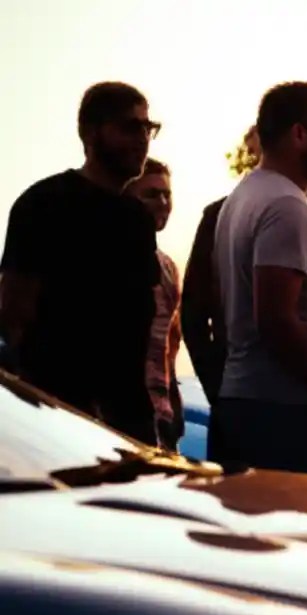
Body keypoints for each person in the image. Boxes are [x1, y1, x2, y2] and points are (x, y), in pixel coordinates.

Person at [183, 125, 307, 460]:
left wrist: (222, 391)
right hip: (304, 409)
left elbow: (194, 315)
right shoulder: (306, 212)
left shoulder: (226, 211)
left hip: (243, 401)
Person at [212, 82, 307, 479]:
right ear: (300, 134)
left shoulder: (241, 197)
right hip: (291, 412)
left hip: (248, 404)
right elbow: (276, 318)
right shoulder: (286, 206)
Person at [0, 82, 160, 444]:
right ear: (90, 132)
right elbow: (14, 310)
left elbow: (141, 320)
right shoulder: (43, 204)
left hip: (129, 418)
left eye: (147, 128)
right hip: (57, 418)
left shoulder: (136, 218)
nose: (142, 139)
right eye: (129, 127)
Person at [125, 158, 184, 449]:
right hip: (119, 411)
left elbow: (169, 344)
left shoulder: (168, 267)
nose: (162, 202)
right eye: (151, 194)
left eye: (167, 194)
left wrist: (175, 401)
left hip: (160, 414)